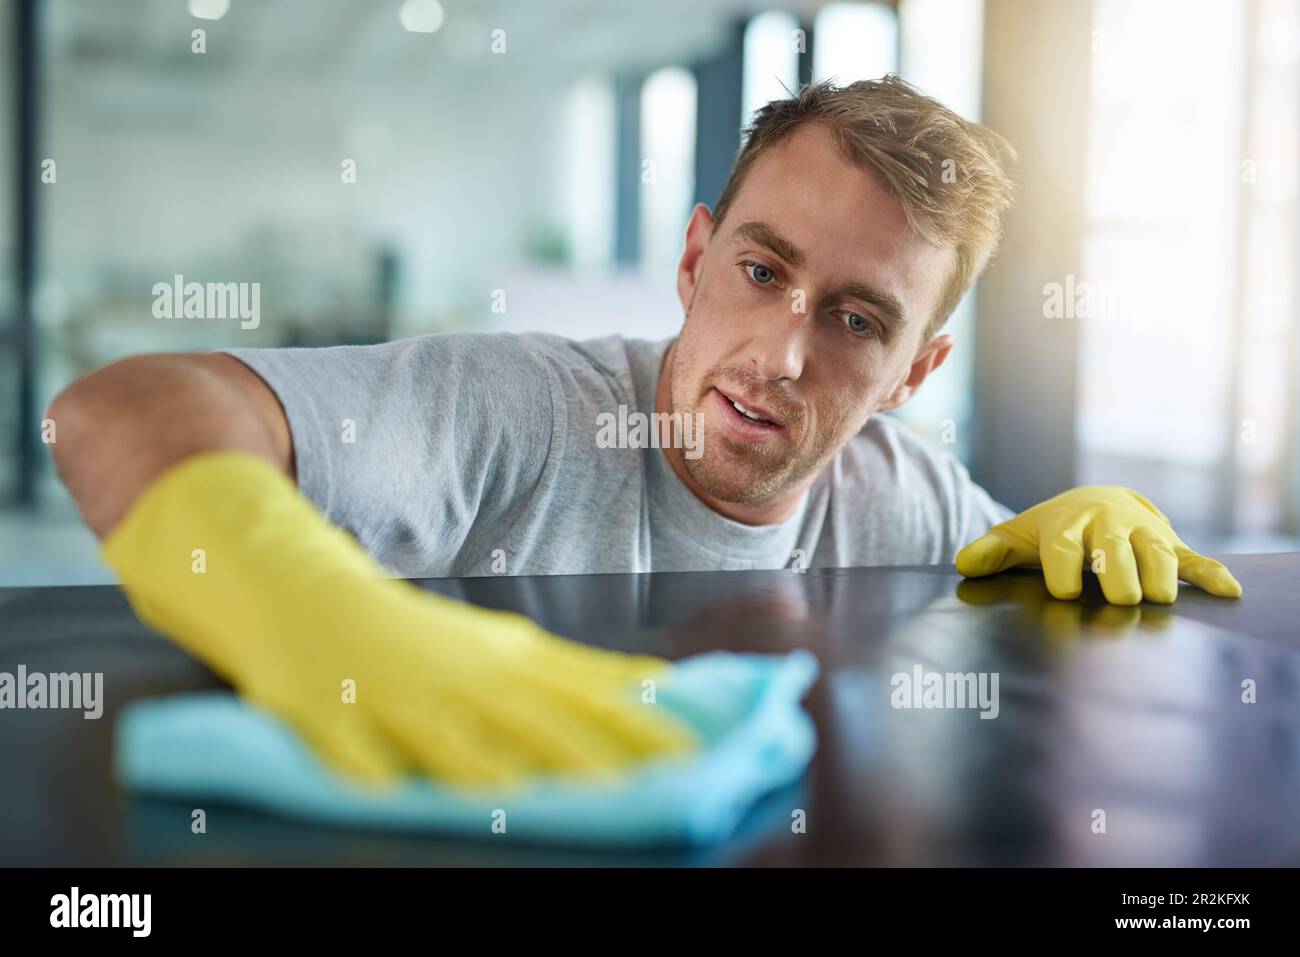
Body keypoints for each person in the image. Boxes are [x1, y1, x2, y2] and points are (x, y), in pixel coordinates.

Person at [47, 77, 1241, 787]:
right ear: (691, 258)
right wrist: (296, 596)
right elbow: (109, 408)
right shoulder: (510, 413)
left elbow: (1016, 562)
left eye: (857, 320)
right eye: (762, 269)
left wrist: (1071, 527)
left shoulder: (905, 496)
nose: (780, 354)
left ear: (913, 372)